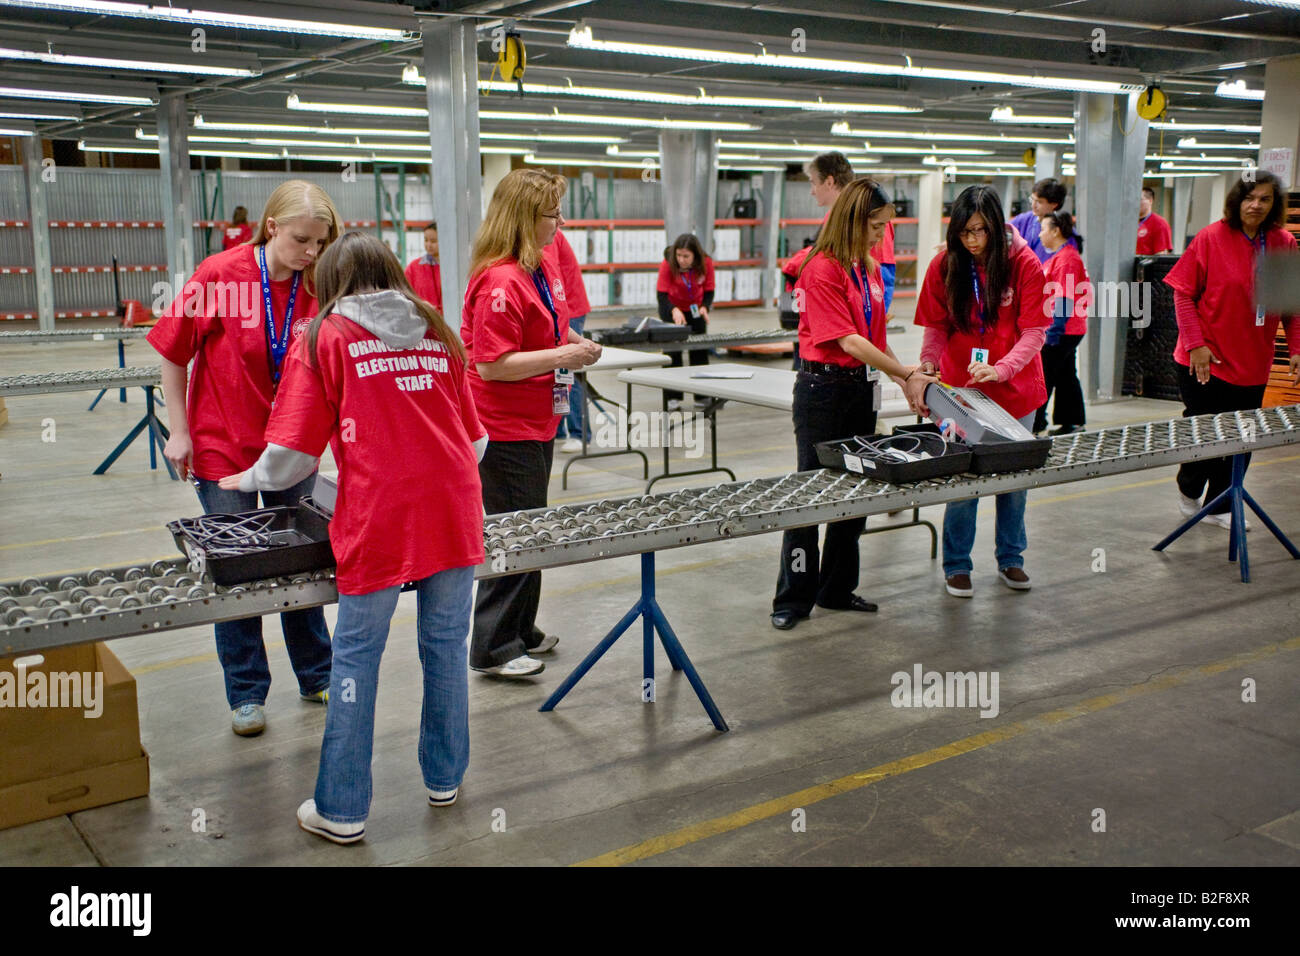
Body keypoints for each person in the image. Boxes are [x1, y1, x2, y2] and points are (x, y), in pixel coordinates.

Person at [217, 231, 486, 845]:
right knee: (446, 643)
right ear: (392, 271)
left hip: (380, 516)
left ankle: (341, 808)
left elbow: (289, 457)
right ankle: (445, 778)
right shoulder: (438, 331)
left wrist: (245, 477)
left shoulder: (326, 336)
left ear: (331, 284)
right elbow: (474, 443)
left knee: (357, 657)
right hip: (454, 505)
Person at [149, 179, 340, 737]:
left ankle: (317, 674)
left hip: (293, 448)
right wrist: (178, 431)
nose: (312, 253)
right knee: (238, 569)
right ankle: (247, 692)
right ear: (273, 227)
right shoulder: (220, 276)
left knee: (304, 560)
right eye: (302, 240)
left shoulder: (320, 283)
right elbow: (173, 354)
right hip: (222, 445)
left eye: (321, 243)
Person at [771, 179, 936, 631]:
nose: (882, 236)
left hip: (861, 391)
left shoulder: (864, 268)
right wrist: (904, 374)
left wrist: (904, 379)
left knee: (856, 490)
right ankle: (793, 597)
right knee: (810, 496)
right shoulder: (820, 269)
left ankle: (836, 588)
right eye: (877, 226)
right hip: (822, 393)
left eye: (886, 226)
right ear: (853, 221)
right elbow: (848, 340)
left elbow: (875, 339)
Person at [464, 168, 602, 678]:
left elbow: (551, 324)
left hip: (537, 419)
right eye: (552, 214)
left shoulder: (540, 268)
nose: (559, 223)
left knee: (532, 528)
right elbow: (491, 365)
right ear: (526, 218)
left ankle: (522, 628)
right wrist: (562, 353)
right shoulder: (500, 281)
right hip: (504, 428)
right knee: (514, 533)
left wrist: (573, 344)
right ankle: (493, 645)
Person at [915, 184, 1050, 598]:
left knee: (1012, 478)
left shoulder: (1025, 264)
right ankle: (957, 563)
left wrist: (1002, 368)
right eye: (964, 232)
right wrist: (928, 364)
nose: (972, 241)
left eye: (980, 231)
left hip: (1015, 390)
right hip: (961, 392)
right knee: (962, 476)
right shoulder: (945, 265)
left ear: (995, 225)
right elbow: (937, 326)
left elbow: (1035, 331)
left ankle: (1011, 557)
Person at [1163, 171, 1299, 531]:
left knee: (1242, 435)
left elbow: (1289, 304)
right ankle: (1189, 488)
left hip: (1253, 362)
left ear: (1274, 204)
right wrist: (1196, 345)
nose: (1255, 205)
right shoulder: (1211, 238)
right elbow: (1183, 294)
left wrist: (1296, 346)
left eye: (1265, 199)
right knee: (1206, 433)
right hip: (1205, 360)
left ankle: (1221, 503)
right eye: (1249, 197)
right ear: (1236, 200)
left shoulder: (1283, 243)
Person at [794, 151, 897, 367]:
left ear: (829, 182)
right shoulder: (824, 264)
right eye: (877, 227)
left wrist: (876, 316)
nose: (812, 191)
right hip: (833, 366)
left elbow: (883, 276)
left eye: (814, 183)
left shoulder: (872, 225)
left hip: (858, 361)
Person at [1033, 211, 1089, 436]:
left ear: (1056, 231)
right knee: (1066, 374)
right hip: (1067, 328)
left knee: (1043, 375)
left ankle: (1035, 423)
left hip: (1063, 329)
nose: (1040, 234)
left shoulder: (1067, 259)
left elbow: (1064, 297)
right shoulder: (1062, 256)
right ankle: (1072, 421)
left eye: (1044, 229)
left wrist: (1053, 332)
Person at [544, 227, 593, 453]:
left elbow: (547, 271)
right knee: (556, 372)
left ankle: (579, 432)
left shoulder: (546, 234)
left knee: (566, 370)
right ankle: (560, 429)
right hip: (556, 308)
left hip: (567, 309)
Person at [656, 233, 715, 407]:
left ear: (695, 256)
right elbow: (662, 294)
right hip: (671, 308)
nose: (681, 260)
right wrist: (673, 310)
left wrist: (705, 306)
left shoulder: (706, 263)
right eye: (679, 255)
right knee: (673, 353)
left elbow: (709, 289)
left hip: (695, 309)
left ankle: (702, 395)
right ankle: (672, 396)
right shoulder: (668, 264)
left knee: (699, 351)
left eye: (686, 256)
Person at [1008, 178, 1073, 263]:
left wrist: (1070, 276)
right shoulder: (1022, 221)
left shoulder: (1068, 250)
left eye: (1039, 202)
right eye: (1032, 199)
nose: (1033, 205)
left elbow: (1070, 273)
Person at [404, 222, 442, 312]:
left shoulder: (452, 269)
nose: (428, 245)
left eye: (433, 241)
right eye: (426, 240)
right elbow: (404, 293)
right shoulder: (413, 268)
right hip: (420, 319)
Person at [1136, 187, 1173, 255]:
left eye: (1140, 199)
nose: (1136, 203)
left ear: (1150, 200)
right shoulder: (1129, 223)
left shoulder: (1159, 223)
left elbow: (1161, 254)